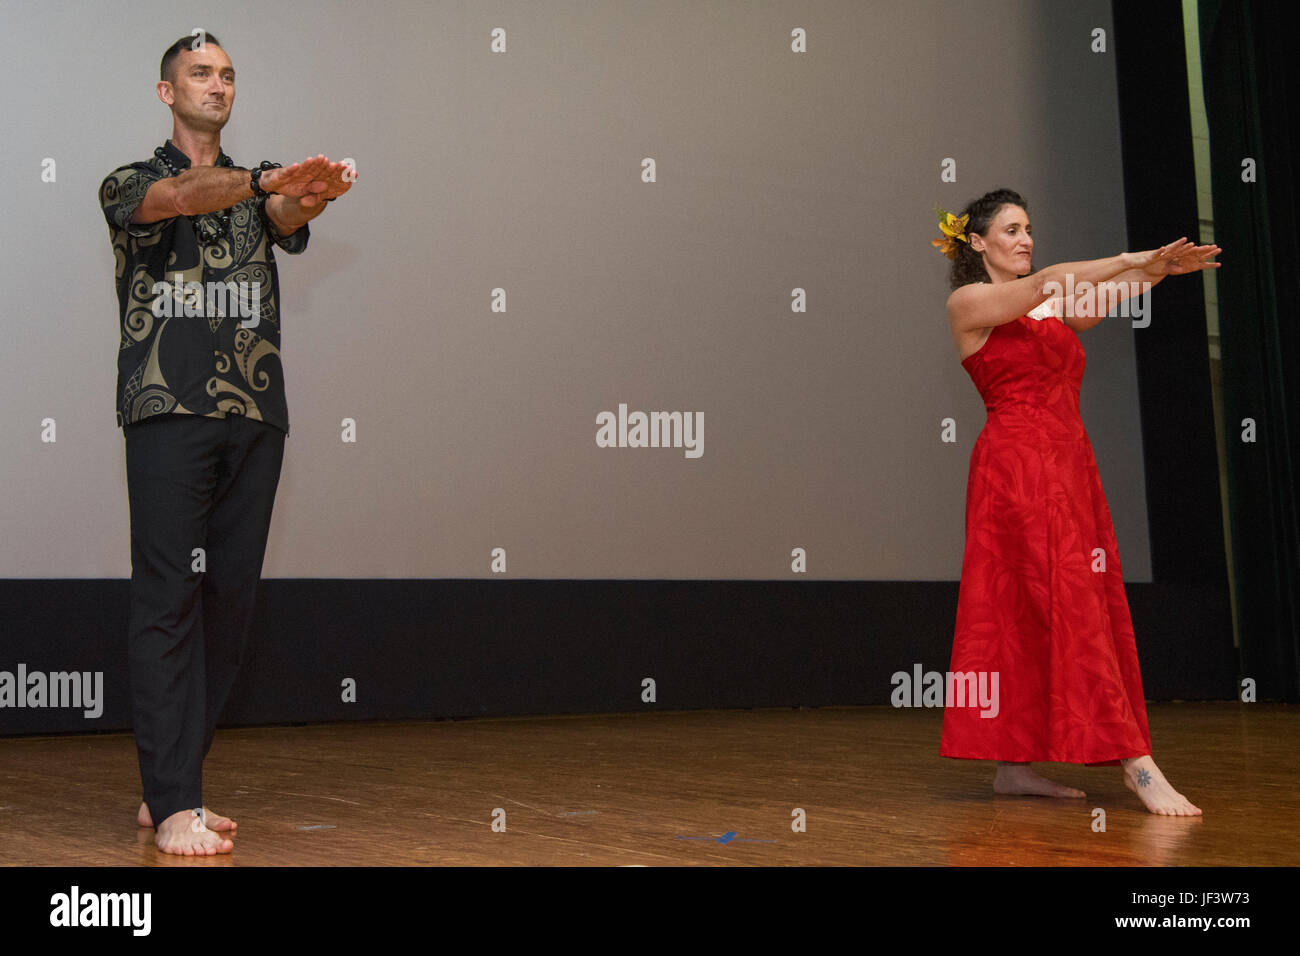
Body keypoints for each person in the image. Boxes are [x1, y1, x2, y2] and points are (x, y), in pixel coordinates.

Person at [98, 32, 355, 854]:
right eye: (201, 74)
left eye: (228, 74)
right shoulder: (132, 181)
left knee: (232, 601)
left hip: (254, 412)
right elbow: (180, 199)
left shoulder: (256, 185)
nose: (218, 84)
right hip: (167, 409)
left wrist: (305, 198)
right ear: (167, 92)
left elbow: (278, 215)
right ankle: (175, 803)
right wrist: (264, 183)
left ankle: (171, 778)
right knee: (167, 596)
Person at [936, 189, 1218, 816]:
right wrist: (1132, 254)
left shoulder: (1049, 305)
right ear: (977, 243)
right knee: (1062, 604)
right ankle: (1136, 764)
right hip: (1018, 470)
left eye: (1029, 227)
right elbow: (1057, 278)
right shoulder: (972, 303)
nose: (1025, 237)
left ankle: (1012, 767)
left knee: (1028, 610)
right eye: (1010, 229)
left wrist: (1156, 270)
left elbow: (1095, 299)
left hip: (1068, 466)